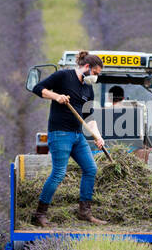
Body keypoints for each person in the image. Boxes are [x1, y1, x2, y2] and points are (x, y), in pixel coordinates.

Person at [30, 50, 108, 226]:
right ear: (87, 67)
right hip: (60, 134)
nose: (96, 77)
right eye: (95, 73)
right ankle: (40, 214)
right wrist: (56, 96)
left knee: (91, 169)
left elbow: (90, 117)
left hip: (77, 136)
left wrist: (98, 136)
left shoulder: (88, 88)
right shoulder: (63, 76)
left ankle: (84, 212)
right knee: (59, 173)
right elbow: (37, 88)